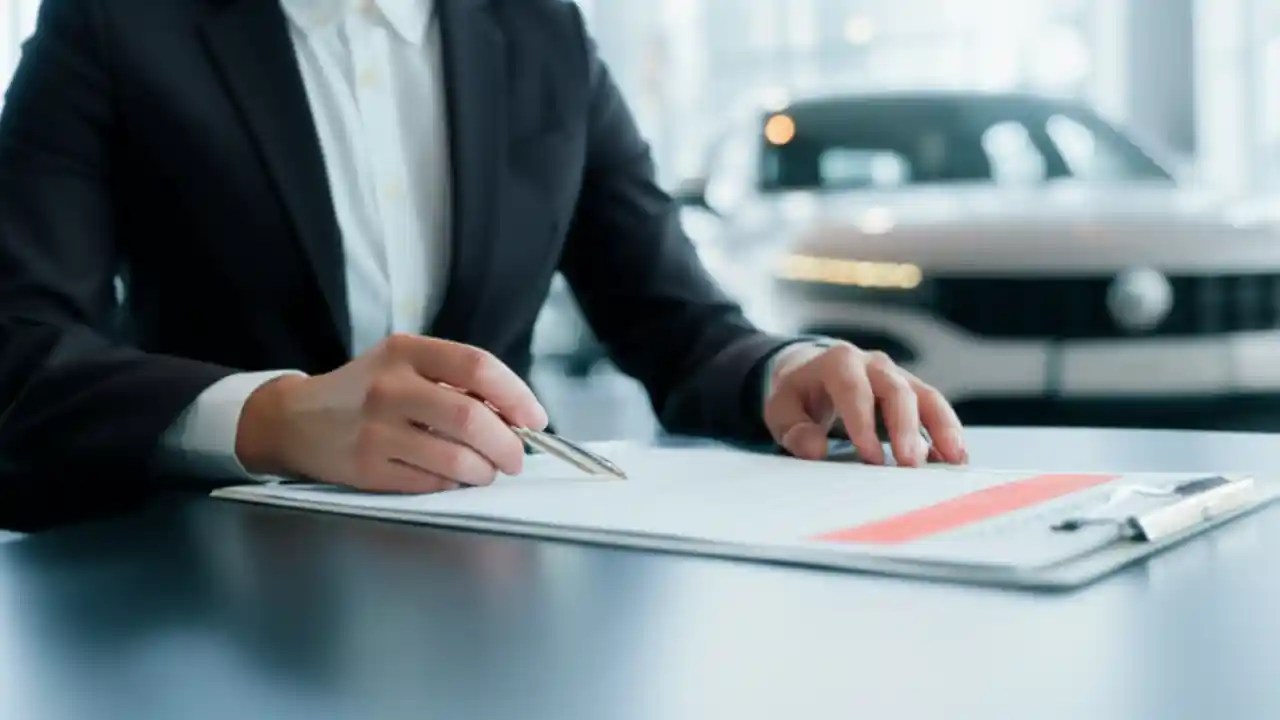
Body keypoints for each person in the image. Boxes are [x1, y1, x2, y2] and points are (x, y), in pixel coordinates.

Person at [0, 0, 966, 498]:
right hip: (194, 600)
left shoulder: (540, 28)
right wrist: (274, 419)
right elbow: (24, 357)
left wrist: (783, 370)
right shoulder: (113, 23)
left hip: (497, 581)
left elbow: (678, 324)